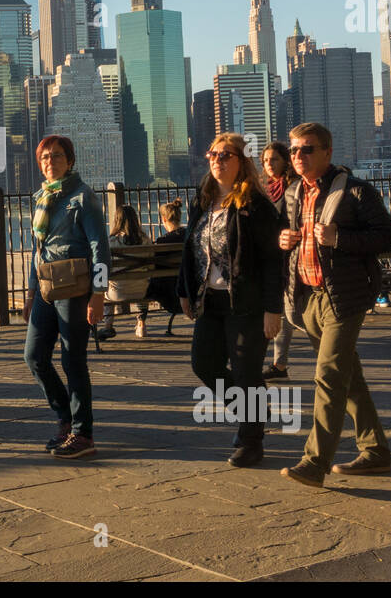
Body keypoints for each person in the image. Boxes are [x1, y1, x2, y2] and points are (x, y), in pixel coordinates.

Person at [277, 122, 391, 487]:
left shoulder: (356, 192)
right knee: (349, 378)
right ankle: (375, 451)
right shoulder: (295, 192)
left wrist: (339, 237)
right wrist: (284, 240)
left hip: (344, 296)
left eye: (307, 149)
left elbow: (388, 236)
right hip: (308, 297)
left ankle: (315, 463)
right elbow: (290, 239)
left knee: (328, 376)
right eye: (294, 150)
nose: (298, 156)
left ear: (327, 152)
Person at [177, 133, 284, 467]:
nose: (217, 161)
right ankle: (252, 411)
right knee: (203, 364)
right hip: (210, 300)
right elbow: (190, 249)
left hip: (246, 303)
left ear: (242, 162)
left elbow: (272, 260)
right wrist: (184, 289)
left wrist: (273, 309)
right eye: (213, 154)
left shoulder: (255, 205)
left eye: (226, 155)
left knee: (246, 371)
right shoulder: (203, 199)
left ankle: (252, 440)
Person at [24, 135, 110, 459]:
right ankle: (65, 418)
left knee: (73, 360)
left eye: (56, 156)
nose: (50, 161)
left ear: (70, 161)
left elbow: (100, 248)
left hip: (74, 289)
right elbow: (37, 251)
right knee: (34, 356)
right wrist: (30, 292)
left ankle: (82, 433)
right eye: (44, 157)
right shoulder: (42, 198)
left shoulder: (83, 197)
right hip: (45, 289)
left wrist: (99, 294)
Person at [261, 142, 298, 381]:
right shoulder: (268, 189)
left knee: (290, 312)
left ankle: (279, 364)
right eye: (265, 161)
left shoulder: (293, 188)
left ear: (285, 161)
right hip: (273, 255)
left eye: (274, 159)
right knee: (284, 312)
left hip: (288, 256)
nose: (269, 165)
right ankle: (279, 364)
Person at [97, 204, 151, 340]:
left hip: (116, 293)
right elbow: (151, 268)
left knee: (103, 286)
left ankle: (108, 326)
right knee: (142, 280)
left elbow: (102, 270)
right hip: (141, 292)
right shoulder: (145, 240)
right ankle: (141, 324)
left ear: (117, 220)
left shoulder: (110, 242)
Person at [144, 199, 185, 335]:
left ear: (164, 219)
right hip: (189, 287)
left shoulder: (162, 242)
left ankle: (140, 322)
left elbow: (155, 268)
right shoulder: (189, 237)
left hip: (169, 292)